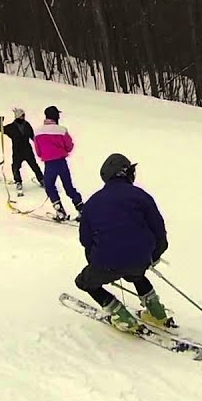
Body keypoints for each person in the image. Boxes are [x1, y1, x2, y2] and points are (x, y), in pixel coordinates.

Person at [74, 154, 171, 333]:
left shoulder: (92, 202)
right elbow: (159, 232)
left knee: (84, 282)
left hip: (105, 262)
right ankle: (158, 314)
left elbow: (85, 240)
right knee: (136, 274)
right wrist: (153, 256)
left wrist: (96, 260)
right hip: (140, 259)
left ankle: (122, 316)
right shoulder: (142, 196)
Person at [34, 105, 84, 221]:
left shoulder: (38, 132)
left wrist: (45, 155)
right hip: (61, 162)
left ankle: (59, 210)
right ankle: (81, 208)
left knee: (50, 186)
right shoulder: (62, 130)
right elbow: (69, 146)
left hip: (49, 163)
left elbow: (38, 151)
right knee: (69, 187)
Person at [1, 107, 44, 195]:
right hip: (17, 151)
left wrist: (39, 144)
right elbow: (1, 129)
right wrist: (0, 122)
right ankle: (18, 182)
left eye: (24, 115)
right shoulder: (11, 127)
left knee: (34, 166)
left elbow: (32, 136)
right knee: (15, 167)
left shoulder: (27, 125)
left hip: (27, 150)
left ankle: (41, 180)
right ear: (17, 116)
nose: (24, 117)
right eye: (22, 115)